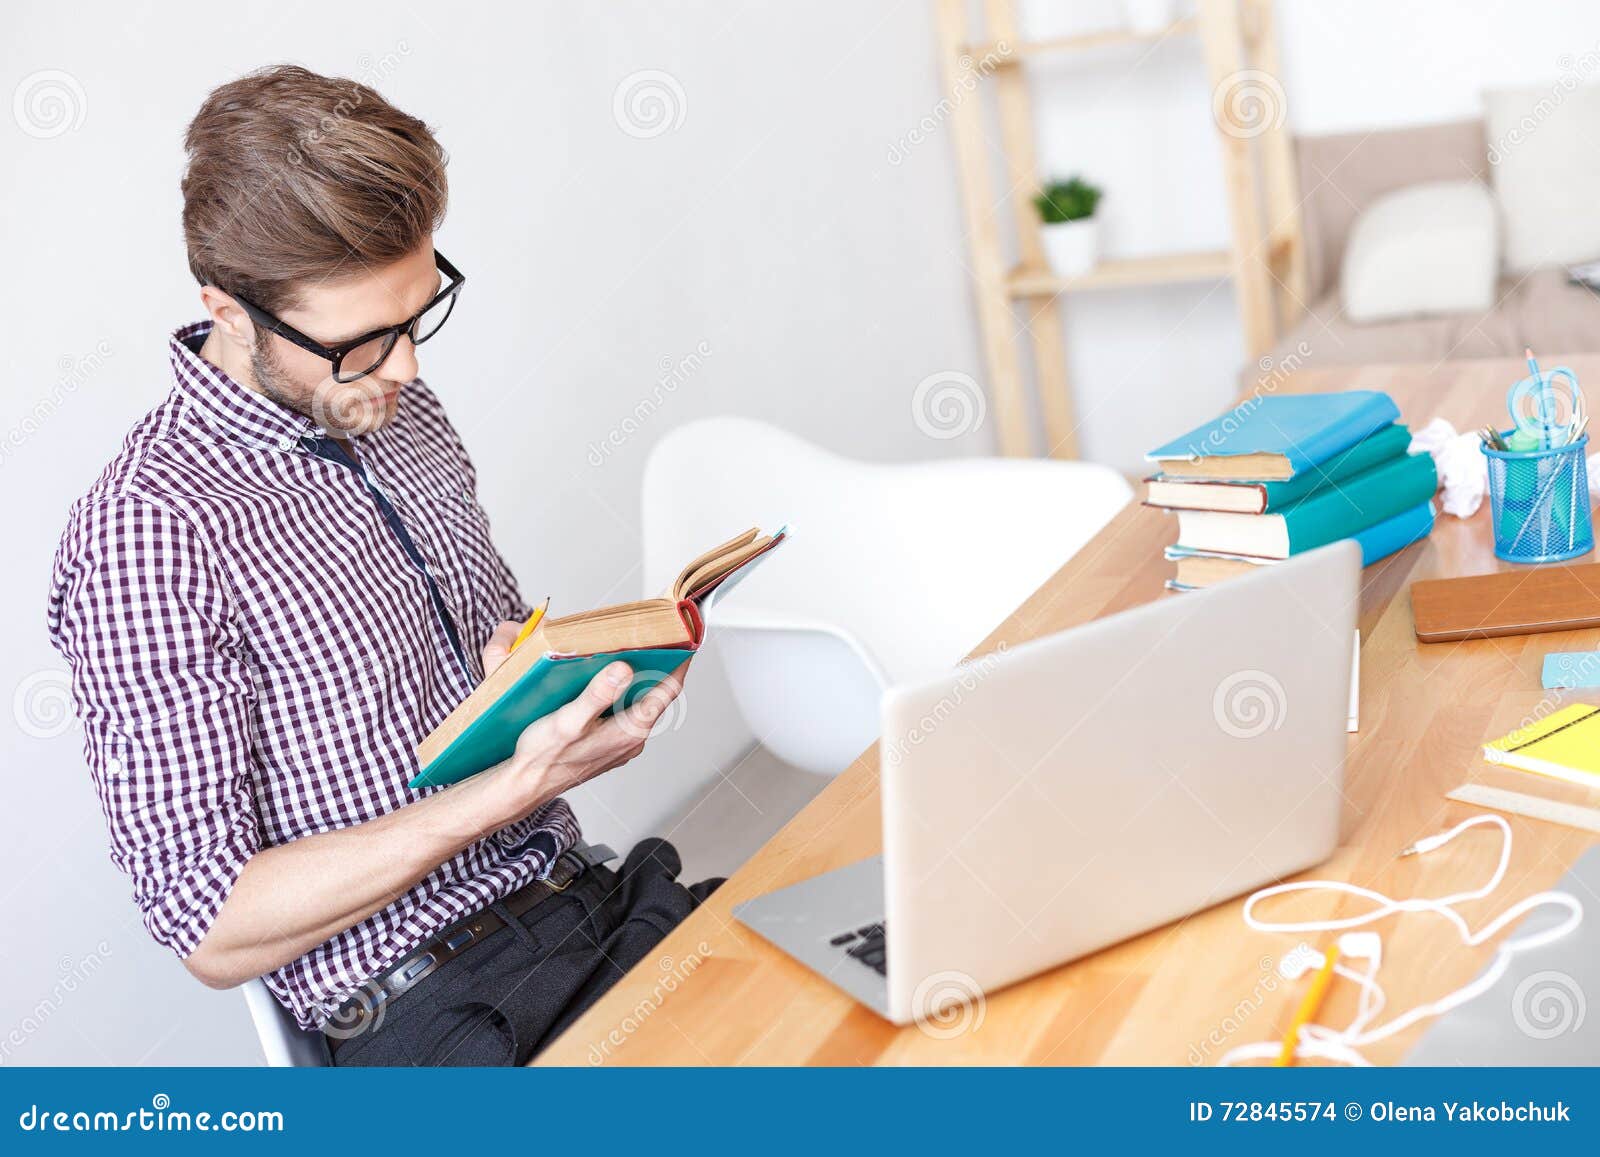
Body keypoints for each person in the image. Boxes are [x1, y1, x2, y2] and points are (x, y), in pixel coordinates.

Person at [46, 64, 716, 1066]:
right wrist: (507, 790)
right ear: (228, 310)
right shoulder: (147, 533)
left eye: (417, 315)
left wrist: (538, 682)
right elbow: (212, 924)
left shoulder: (402, 413)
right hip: (430, 1015)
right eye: (362, 342)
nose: (406, 367)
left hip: (589, 903)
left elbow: (464, 688)